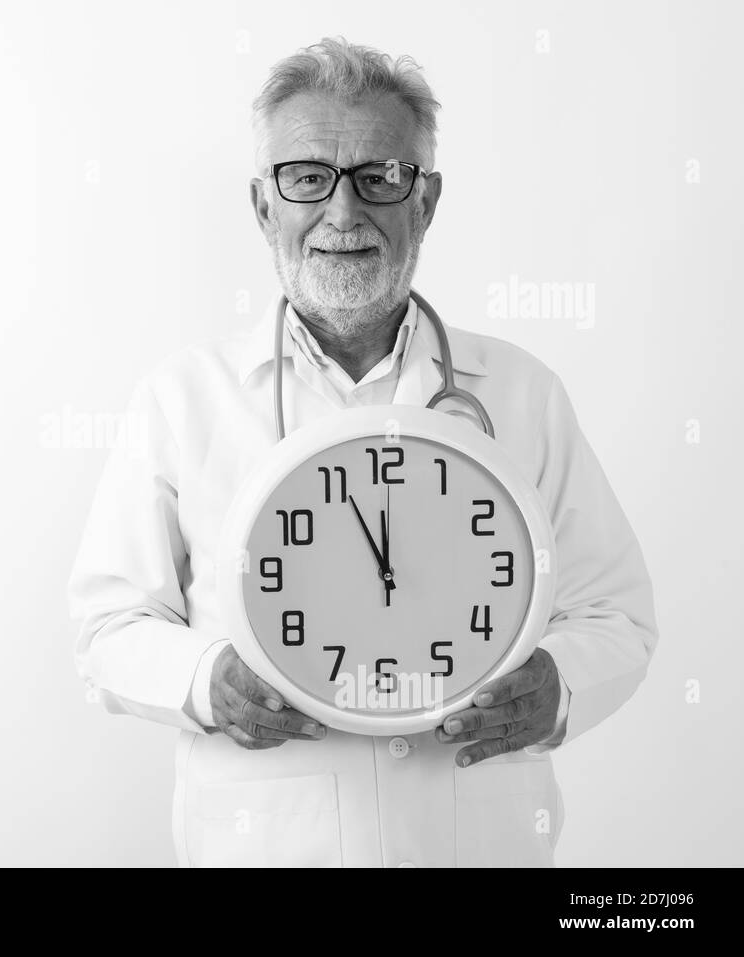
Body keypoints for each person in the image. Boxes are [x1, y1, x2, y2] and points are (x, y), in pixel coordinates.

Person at [67, 37, 658, 867]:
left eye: (381, 176)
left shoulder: (524, 394)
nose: (343, 214)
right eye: (308, 177)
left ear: (427, 202)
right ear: (264, 205)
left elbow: (617, 614)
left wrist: (559, 683)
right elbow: (108, 625)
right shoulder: (183, 397)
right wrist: (205, 680)